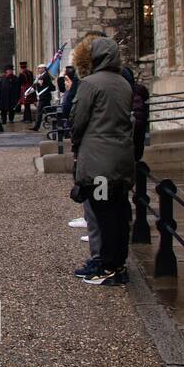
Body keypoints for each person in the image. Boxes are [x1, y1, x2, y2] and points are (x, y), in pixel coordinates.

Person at [70, 36, 136, 287]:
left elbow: (78, 120)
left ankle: (108, 266)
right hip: (121, 158)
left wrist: (76, 146)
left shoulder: (89, 84)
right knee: (119, 211)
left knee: (103, 212)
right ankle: (117, 263)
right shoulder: (123, 82)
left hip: (99, 161)